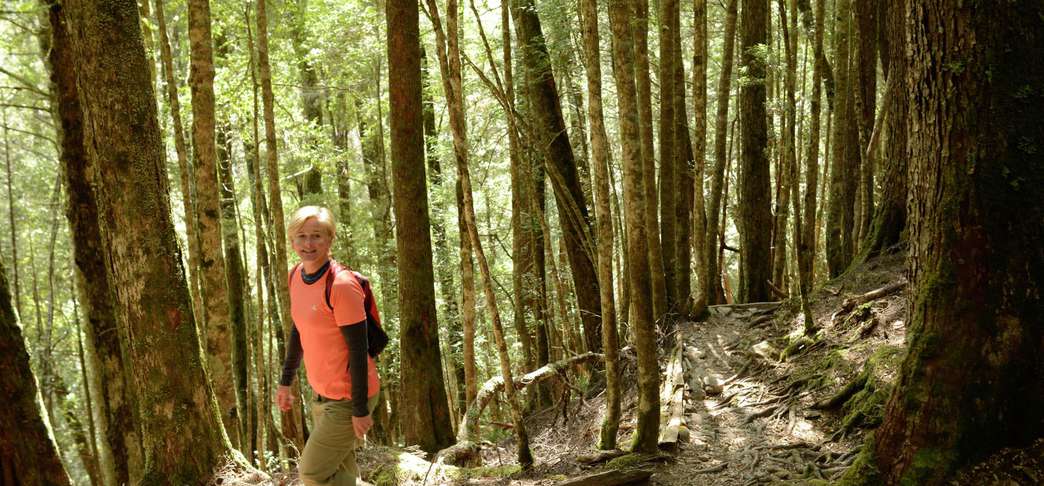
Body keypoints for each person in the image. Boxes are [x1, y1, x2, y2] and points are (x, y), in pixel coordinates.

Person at [277, 206, 380, 486]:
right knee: (343, 475)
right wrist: (286, 382)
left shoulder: (341, 285)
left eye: (316, 236)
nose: (308, 244)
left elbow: (358, 352)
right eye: (301, 236)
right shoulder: (295, 275)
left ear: (330, 239)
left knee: (311, 474)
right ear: (292, 240)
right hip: (322, 394)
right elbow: (299, 329)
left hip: (349, 397)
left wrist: (359, 409)